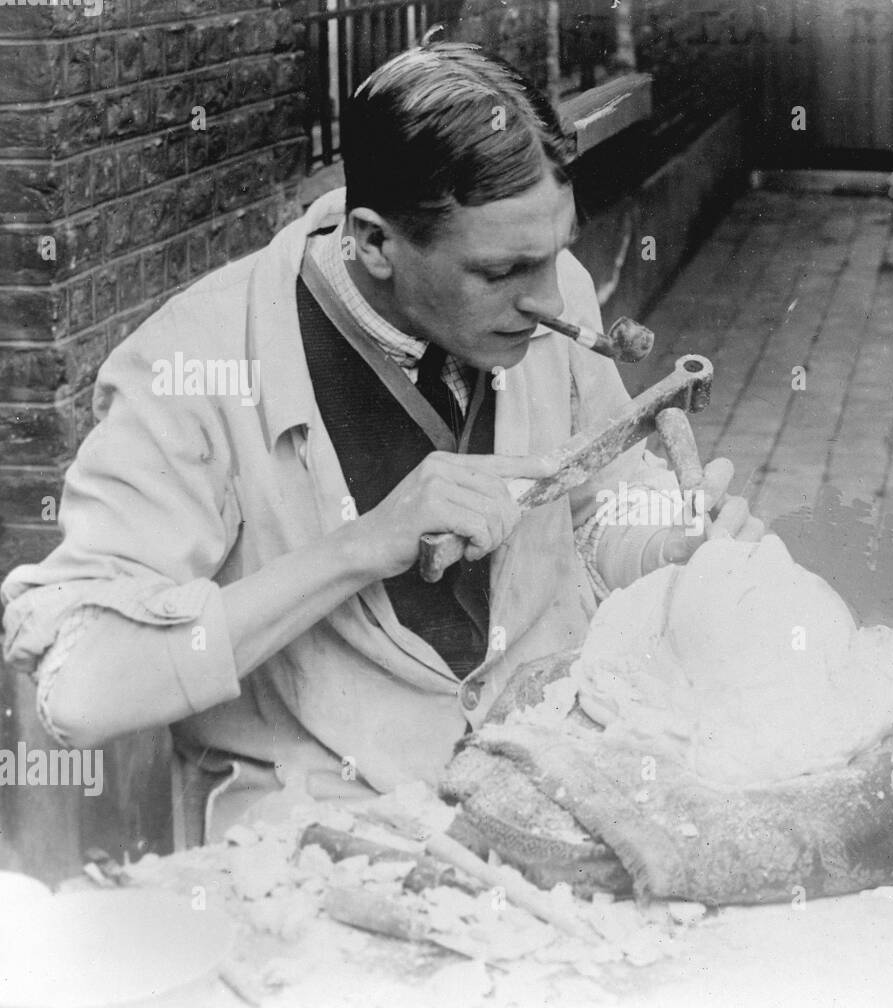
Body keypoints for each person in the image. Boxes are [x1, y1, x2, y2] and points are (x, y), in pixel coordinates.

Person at [1, 41, 763, 842]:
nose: (555, 306)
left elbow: (593, 514)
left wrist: (667, 542)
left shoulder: (554, 289)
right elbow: (81, 690)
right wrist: (359, 548)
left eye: (558, 250)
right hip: (319, 847)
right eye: (501, 272)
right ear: (372, 241)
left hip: (553, 790)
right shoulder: (189, 369)